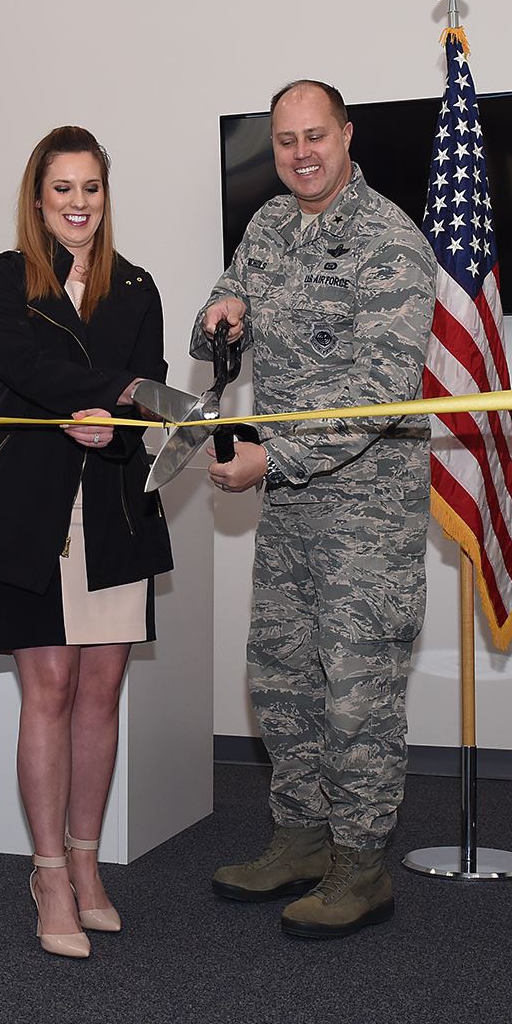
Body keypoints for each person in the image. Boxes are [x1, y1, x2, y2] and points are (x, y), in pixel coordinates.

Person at [196, 80, 434, 940]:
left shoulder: (389, 240)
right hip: (294, 507)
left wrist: (274, 456)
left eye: (316, 137)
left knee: (358, 688)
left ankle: (361, 863)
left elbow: (381, 388)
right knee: (283, 675)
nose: (301, 153)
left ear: (346, 135)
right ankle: (300, 836)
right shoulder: (266, 224)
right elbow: (229, 302)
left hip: (366, 506)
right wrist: (218, 314)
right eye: (287, 140)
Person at [0, 127, 173, 959]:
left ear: (107, 196)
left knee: (102, 691)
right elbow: (29, 371)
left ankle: (86, 862)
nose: (78, 204)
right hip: (29, 505)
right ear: (38, 200)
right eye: (62, 189)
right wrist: (126, 392)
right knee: (52, 690)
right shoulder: (4, 278)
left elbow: (146, 401)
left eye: (91, 189)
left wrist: (124, 417)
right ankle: (47, 875)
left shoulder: (138, 286)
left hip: (113, 507)